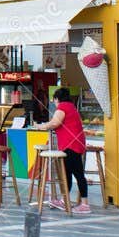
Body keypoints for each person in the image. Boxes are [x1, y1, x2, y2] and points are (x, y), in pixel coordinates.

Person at [36, 87, 90, 215]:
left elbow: (55, 123)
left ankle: (85, 204)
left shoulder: (62, 107)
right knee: (68, 173)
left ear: (57, 98)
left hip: (71, 145)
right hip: (75, 143)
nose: (54, 102)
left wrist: (41, 126)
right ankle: (64, 200)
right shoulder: (71, 107)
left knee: (77, 174)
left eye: (54, 99)